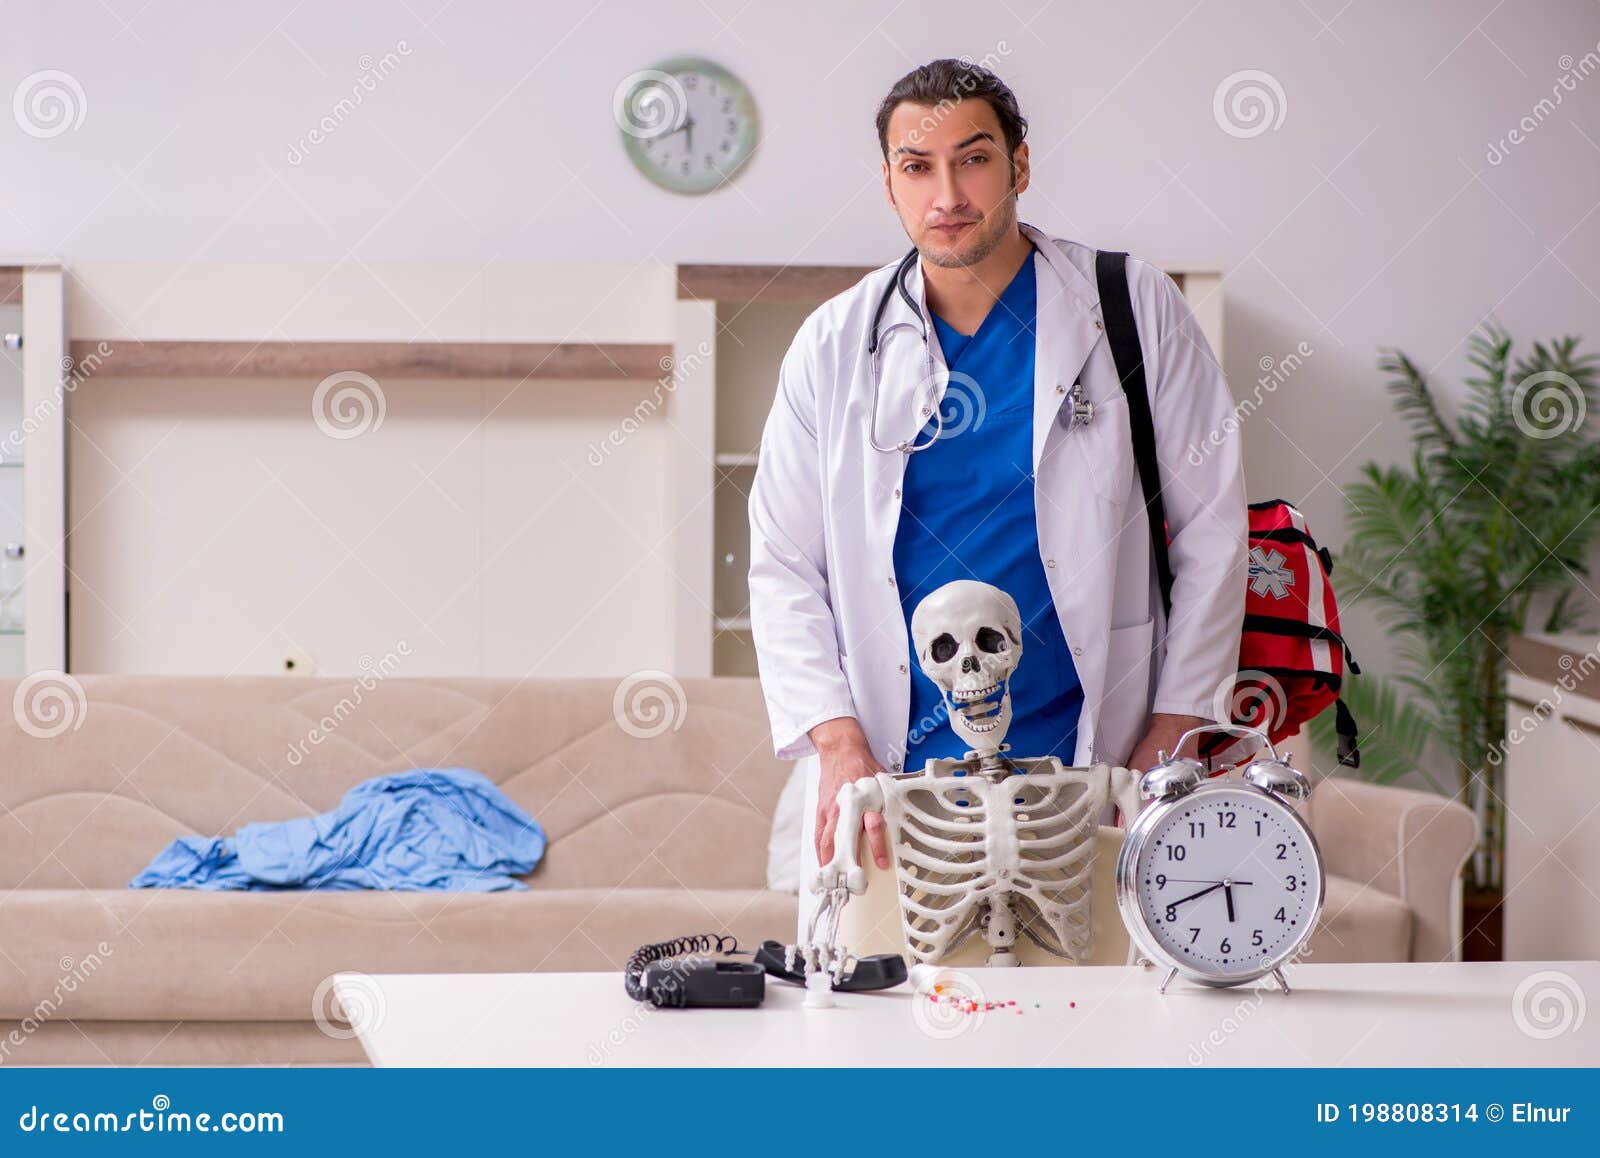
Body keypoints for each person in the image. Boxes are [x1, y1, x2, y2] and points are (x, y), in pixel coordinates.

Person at [745, 59, 1246, 940]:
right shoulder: (833, 346)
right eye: (917, 166)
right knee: (885, 1046)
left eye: (972, 159)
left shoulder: (1129, 306)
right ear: (890, 185)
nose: (947, 192)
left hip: (1097, 769)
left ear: (1020, 164)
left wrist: (1173, 727)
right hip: (894, 789)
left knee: (1103, 1040)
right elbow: (784, 562)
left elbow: (1212, 528)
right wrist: (835, 740)